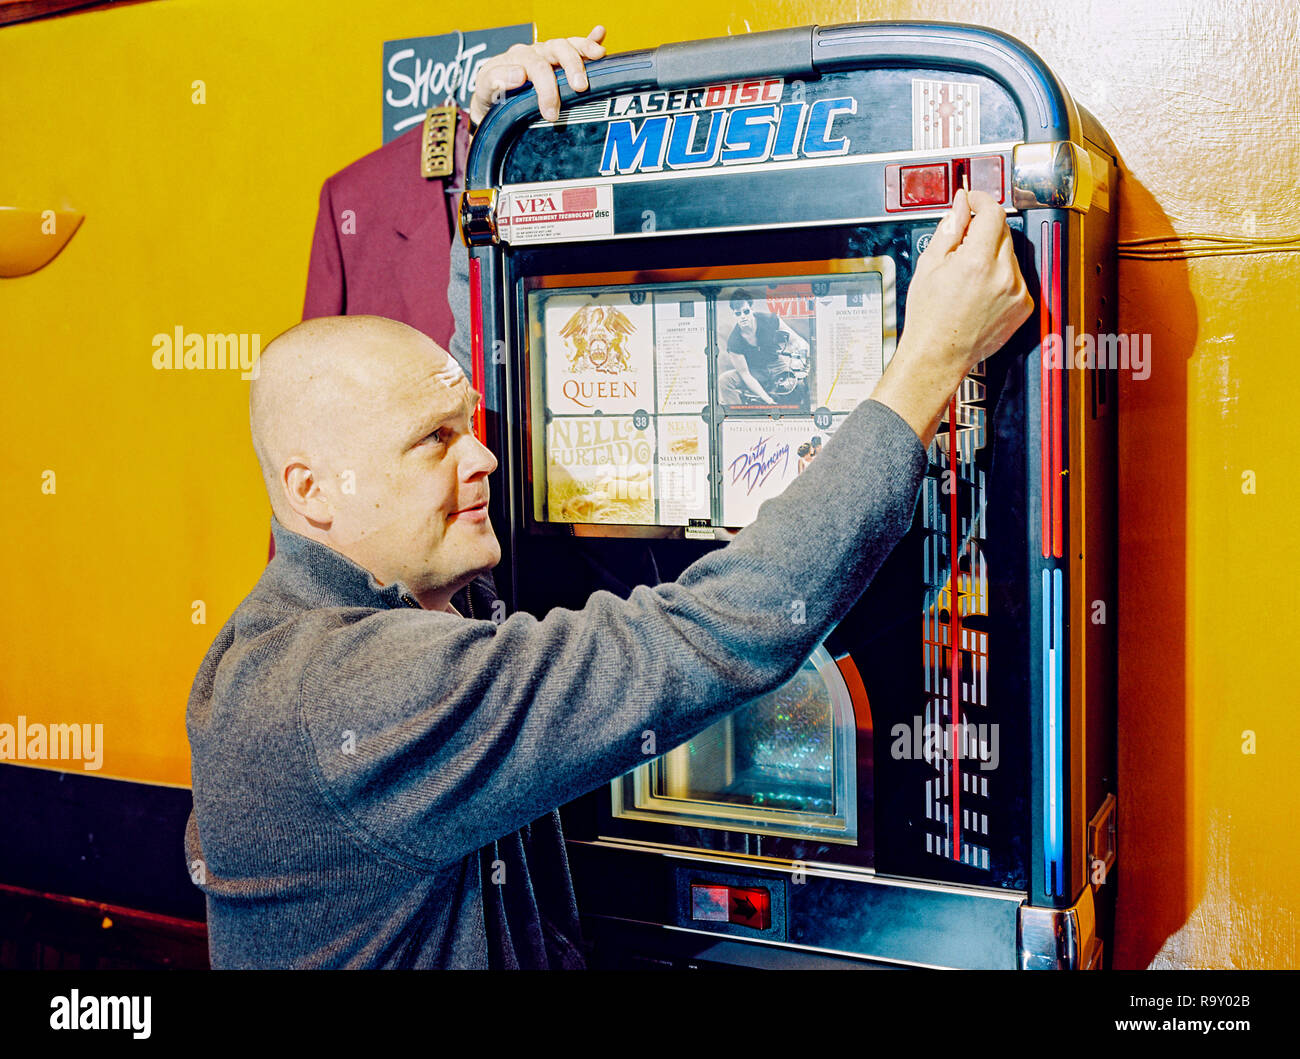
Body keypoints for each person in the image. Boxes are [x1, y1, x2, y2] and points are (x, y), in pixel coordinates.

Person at [186, 125, 1030, 967]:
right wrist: (931, 360)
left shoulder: (378, 601)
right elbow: (695, 636)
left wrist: (492, 132)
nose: (481, 455)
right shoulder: (340, 694)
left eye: (468, 423)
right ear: (310, 490)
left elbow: (452, 349)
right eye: (434, 441)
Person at [717, 289, 811, 408]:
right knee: (724, 381)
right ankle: (739, 415)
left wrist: (799, 360)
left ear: (752, 310)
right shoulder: (733, 342)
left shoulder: (770, 319)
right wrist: (767, 400)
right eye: (738, 313)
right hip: (754, 371)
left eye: (746, 311)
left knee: (800, 385)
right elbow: (745, 374)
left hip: (777, 365)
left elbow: (797, 340)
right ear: (734, 314)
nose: (743, 317)